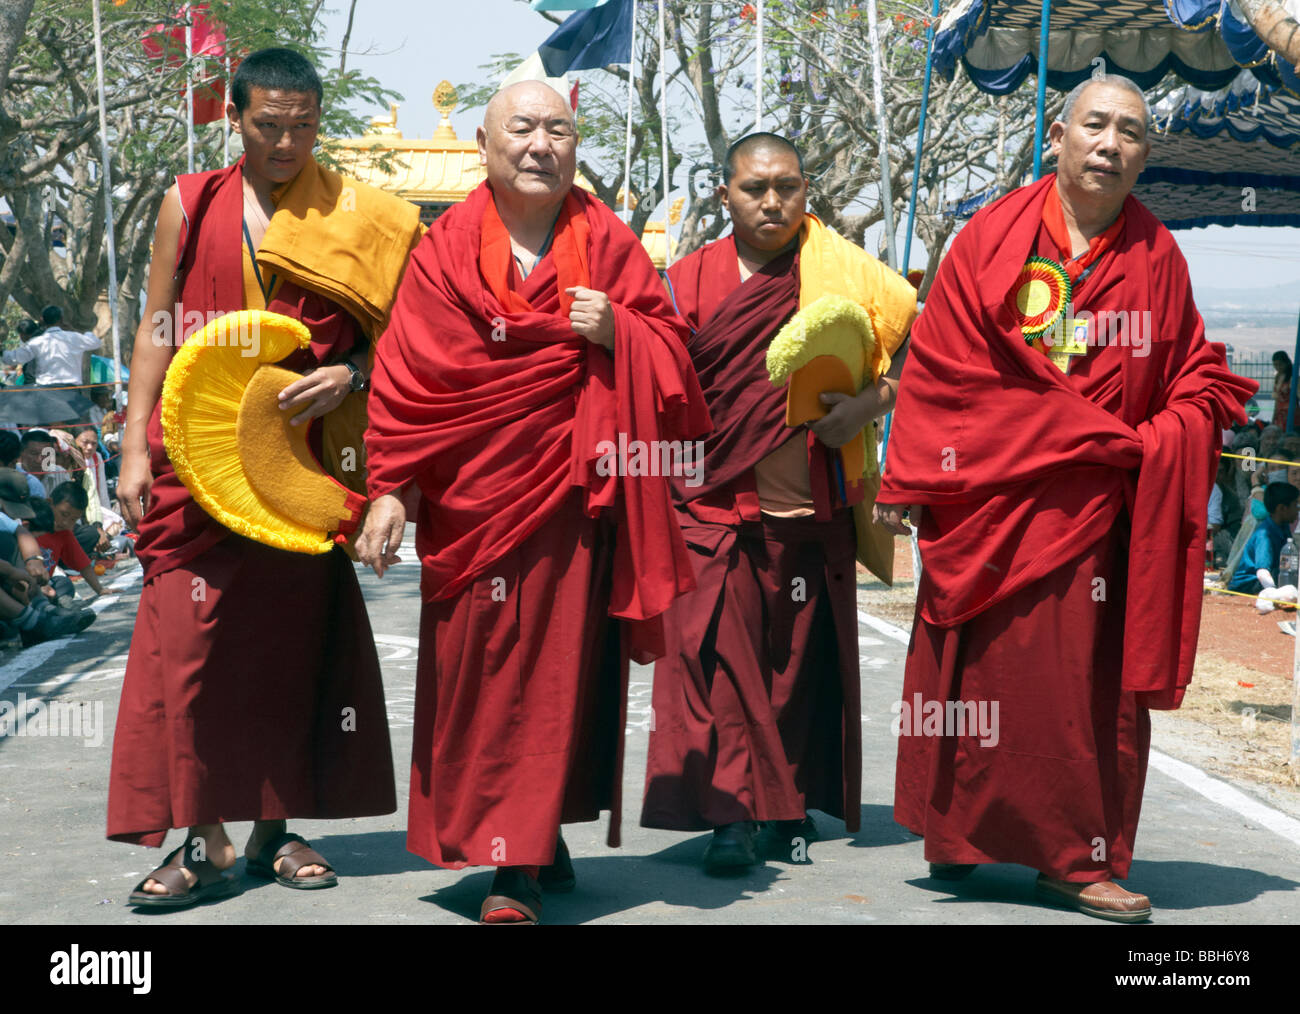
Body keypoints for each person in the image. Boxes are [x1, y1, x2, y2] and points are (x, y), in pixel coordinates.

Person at [874, 74, 1255, 923]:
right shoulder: (992, 235)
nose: (1110, 144)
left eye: (1130, 133)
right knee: (983, 673)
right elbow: (940, 363)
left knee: (1077, 688)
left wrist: (1158, 438)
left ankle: (1073, 859)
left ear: (1145, 155)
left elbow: (1197, 372)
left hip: (1099, 519)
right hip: (993, 500)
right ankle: (964, 834)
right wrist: (931, 468)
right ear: (1059, 133)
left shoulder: (1157, 255)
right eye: (1096, 125)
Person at [358, 80, 709, 925]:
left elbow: (675, 357)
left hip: (570, 504)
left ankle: (524, 850)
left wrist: (619, 331)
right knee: (485, 678)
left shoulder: (611, 241)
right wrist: (391, 490)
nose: (540, 144)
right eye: (522, 128)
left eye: (559, 129)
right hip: (474, 504)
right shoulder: (442, 249)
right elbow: (408, 380)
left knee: (556, 679)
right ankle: (510, 848)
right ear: (484, 143)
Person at [107, 47, 423, 909]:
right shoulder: (191, 201)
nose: (286, 143)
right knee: (188, 651)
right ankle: (199, 836)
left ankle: (275, 830)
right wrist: (135, 447)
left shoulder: (361, 216)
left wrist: (353, 373)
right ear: (234, 118)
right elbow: (156, 329)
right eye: (268, 125)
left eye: (303, 127)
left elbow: (409, 339)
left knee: (287, 653)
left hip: (301, 465)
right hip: (192, 465)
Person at [639, 132, 916, 870]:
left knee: (792, 672)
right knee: (721, 665)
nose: (772, 201)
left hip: (808, 510)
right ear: (723, 193)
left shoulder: (845, 276)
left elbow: (915, 359)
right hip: (712, 508)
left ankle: (783, 806)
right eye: (754, 188)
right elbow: (658, 391)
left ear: (806, 191)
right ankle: (731, 815)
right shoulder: (684, 281)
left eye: (787, 187)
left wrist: (868, 406)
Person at [27, 485, 107, 606]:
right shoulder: (29, 526)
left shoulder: (64, 533)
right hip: (22, 583)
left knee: (64, 583)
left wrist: (100, 590)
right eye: (63, 514)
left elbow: (84, 565)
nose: (66, 522)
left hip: (46, 586)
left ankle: (53, 605)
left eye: (73, 519)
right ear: (50, 503)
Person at [1227, 481, 1299, 595]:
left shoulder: (1283, 527)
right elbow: (1262, 573)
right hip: (1248, 586)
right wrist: (1276, 595)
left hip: (1269, 579)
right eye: (1295, 504)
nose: (1298, 509)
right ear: (1282, 508)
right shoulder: (1265, 535)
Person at [1, 306, 100, 386]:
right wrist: (73, 329)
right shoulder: (74, 338)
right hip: (71, 392)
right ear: (62, 319)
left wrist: (1, 350)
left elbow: (10, 359)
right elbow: (95, 342)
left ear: (41, 320)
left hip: (47, 393)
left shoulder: (37, 342)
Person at [1273, 351, 1292, 429]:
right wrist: (1273, 417)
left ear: (1286, 363)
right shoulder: (1277, 377)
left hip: (1290, 413)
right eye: (1275, 365)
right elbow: (1276, 400)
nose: (1278, 367)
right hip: (1279, 414)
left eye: (1280, 364)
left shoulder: (1293, 378)